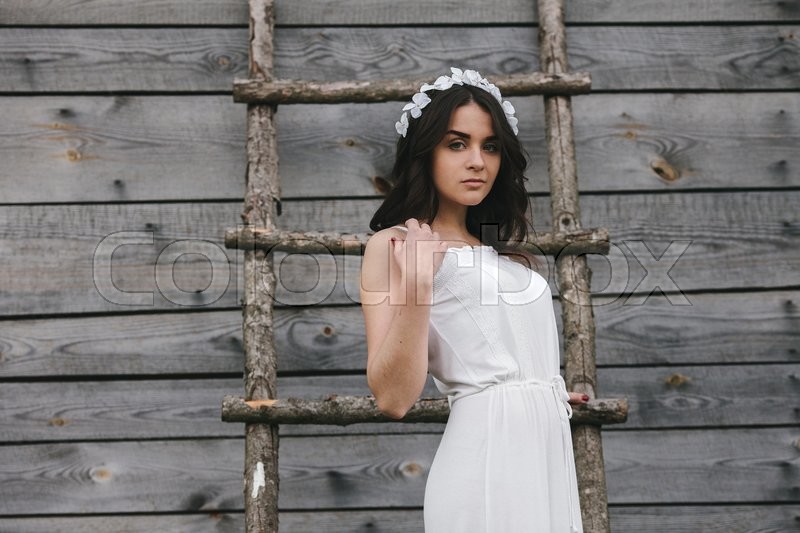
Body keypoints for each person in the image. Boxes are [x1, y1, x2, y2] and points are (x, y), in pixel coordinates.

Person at [359, 68, 585, 532]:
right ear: (426, 152)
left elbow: (503, 346)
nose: (477, 161)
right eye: (456, 143)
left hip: (547, 455)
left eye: (491, 146)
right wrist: (419, 287)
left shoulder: (503, 252)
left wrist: (543, 390)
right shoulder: (396, 245)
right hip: (485, 456)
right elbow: (393, 399)